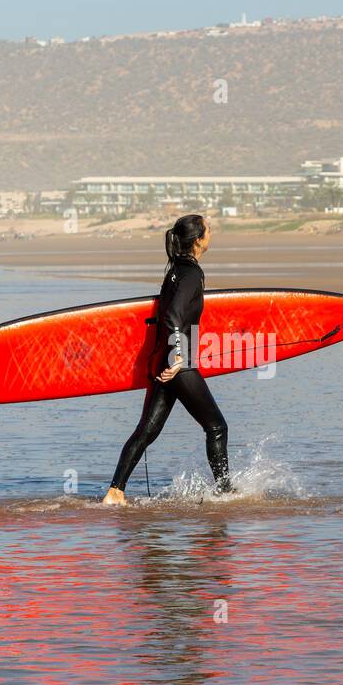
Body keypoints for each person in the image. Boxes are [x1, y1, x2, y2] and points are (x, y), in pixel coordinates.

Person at [103, 214, 231, 504]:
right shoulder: (191, 273)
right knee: (216, 427)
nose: (211, 233)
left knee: (147, 431)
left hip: (166, 361)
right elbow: (172, 315)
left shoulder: (175, 270)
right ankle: (224, 493)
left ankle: (115, 491)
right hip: (178, 363)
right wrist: (178, 359)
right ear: (198, 239)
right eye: (208, 230)